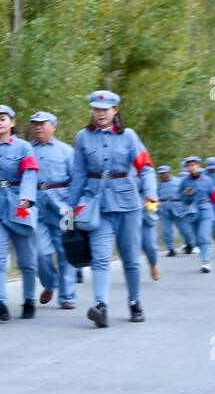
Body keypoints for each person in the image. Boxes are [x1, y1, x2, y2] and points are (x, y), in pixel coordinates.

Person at [66, 90, 158, 327]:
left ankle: (135, 302)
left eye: (105, 110)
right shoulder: (83, 137)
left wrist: (150, 193)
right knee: (100, 258)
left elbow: (145, 167)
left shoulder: (129, 136)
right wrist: (70, 210)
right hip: (98, 206)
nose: (100, 113)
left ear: (115, 111)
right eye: (96, 109)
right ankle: (101, 306)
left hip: (129, 205)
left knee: (131, 260)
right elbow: (78, 175)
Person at [0, 105, 39, 321]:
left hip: (19, 206)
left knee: (27, 260)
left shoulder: (24, 148)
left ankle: (29, 299)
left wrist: (27, 197)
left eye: (3, 118)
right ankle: (0, 301)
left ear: (12, 122)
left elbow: (30, 173)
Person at [28, 111, 77, 309]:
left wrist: (76, 207)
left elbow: (77, 180)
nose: (38, 127)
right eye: (35, 124)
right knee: (40, 254)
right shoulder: (26, 150)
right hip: (36, 209)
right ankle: (50, 284)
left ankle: (67, 296)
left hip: (64, 209)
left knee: (67, 252)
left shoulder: (66, 151)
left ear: (53, 126)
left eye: (43, 123)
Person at [180, 156, 215, 273]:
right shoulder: (184, 181)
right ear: (187, 167)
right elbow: (182, 199)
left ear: (199, 166)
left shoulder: (207, 180)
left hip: (206, 209)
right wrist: (188, 194)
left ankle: (205, 262)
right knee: (197, 239)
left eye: (194, 164)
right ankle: (204, 252)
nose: (192, 167)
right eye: (190, 165)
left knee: (203, 236)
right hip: (192, 211)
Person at [155, 165, 194, 257]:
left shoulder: (179, 181)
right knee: (167, 231)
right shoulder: (157, 185)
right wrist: (154, 210)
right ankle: (171, 249)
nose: (163, 175)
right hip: (164, 209)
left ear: (169, 172)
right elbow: (153, 198)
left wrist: (188, 203)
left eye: (164, 173)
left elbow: (189, 191)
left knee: (185, 230)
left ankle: (189, 244)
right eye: (161, 174)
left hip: (178, 208)